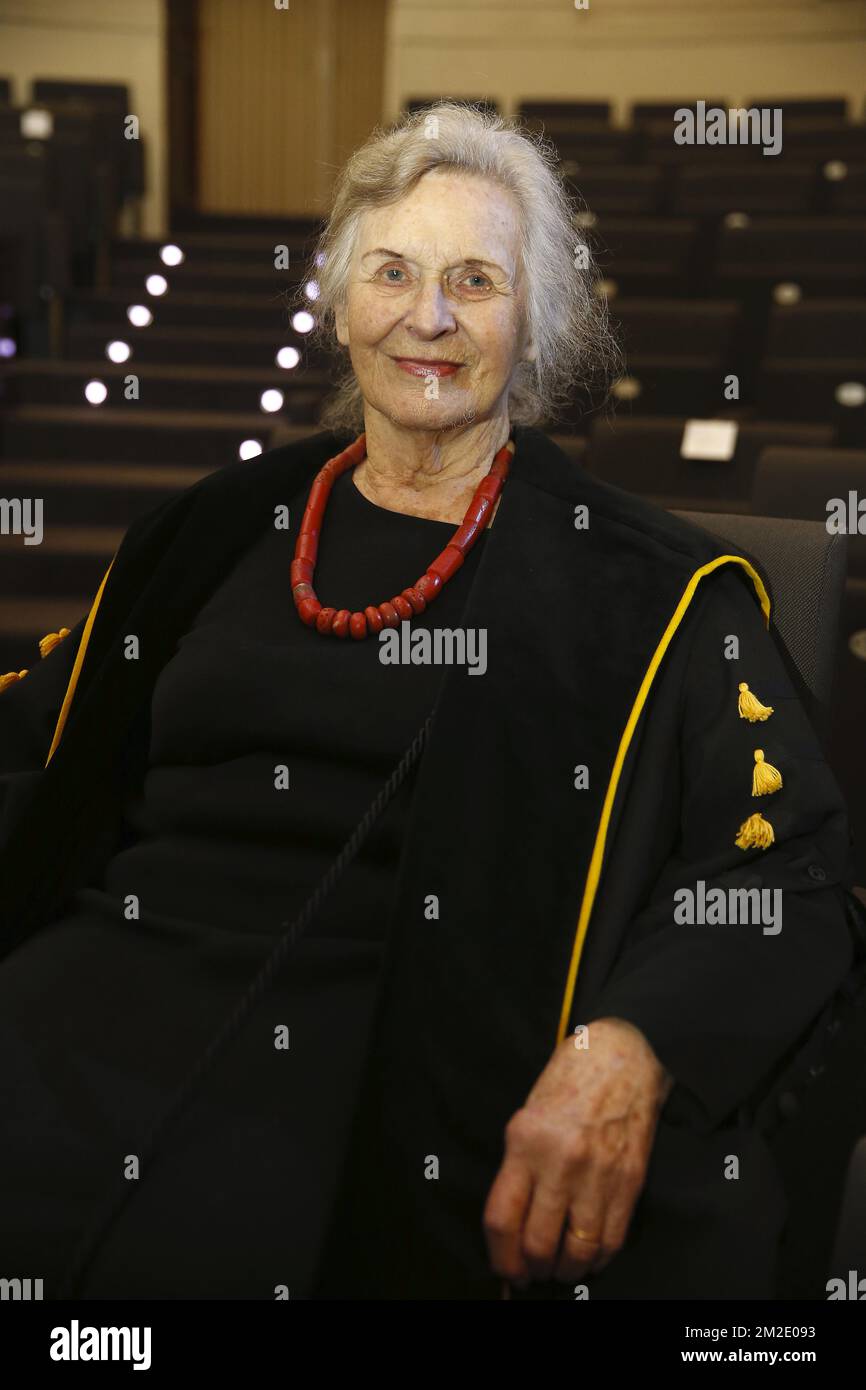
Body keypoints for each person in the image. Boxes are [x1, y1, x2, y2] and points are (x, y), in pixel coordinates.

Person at [0, 102, 861, 1301]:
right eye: (393, 273)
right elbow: (41, 728)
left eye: (475, 281)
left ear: (537, 323)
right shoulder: (208, 529)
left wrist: (626, 1049)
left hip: (394, 1057)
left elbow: (787, 868)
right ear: (343, 303)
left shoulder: (655, 590)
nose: (429, 317)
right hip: (88, 1001)